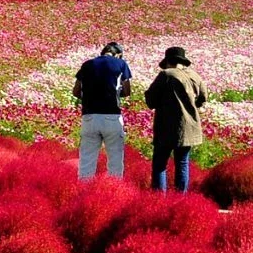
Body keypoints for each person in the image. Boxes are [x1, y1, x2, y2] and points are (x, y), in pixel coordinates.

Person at [144, 46, 207, 193]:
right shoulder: (195, 76)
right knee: (182, 162)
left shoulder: (166, 75)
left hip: (167, 126)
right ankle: (180, 198)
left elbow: (151, 101)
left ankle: (159, 199)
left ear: (168, 62)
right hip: (189, 128)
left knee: (160, 164)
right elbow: (202, 99)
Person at [72, 41, 133, 180]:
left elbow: (76, 91)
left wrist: (88, 96)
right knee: (115, 159)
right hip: (111, 116)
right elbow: (127, 90)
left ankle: (84, 190)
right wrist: (115, 94)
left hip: (89, 116)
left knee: (87, 159)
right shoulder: (120, 64)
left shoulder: (87, 64)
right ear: (118, 55)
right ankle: (113, 190)